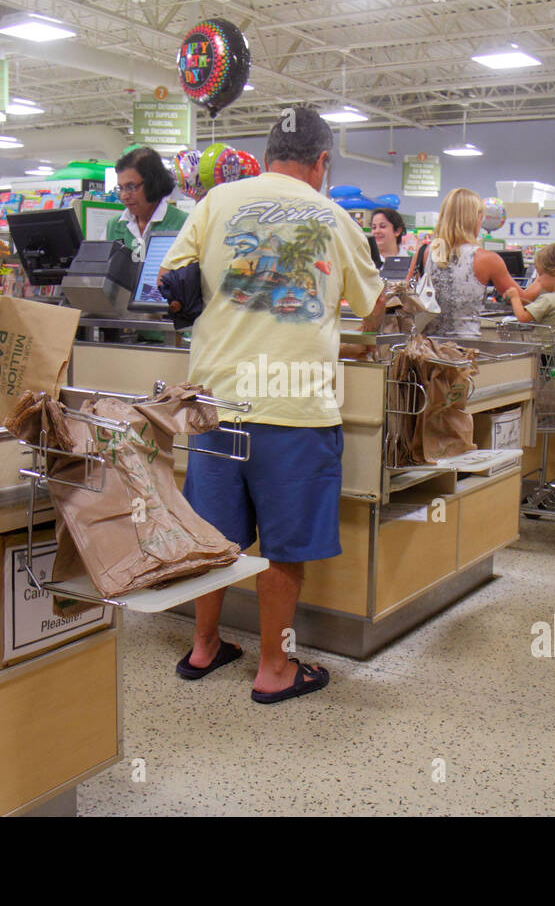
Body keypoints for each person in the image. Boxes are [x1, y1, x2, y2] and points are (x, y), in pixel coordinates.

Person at [158, 105, 386, 704]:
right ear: (322, 162)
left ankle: (204, 647)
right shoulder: (337, 218)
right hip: (294, 411)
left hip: (215, 406)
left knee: (215, 538)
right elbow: (376, 311)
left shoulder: (214, 203)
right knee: (283, 548)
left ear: (264, 156)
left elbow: (172, 279)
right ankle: (274, 668)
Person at [404, 187, 516, 338]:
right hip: (464, 350)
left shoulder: (426, 252)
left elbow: (407, 296)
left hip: (426, 349)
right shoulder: (486, 259)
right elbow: (521, 297)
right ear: (476, 217)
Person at [105, 146, 187, 259]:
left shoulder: (182, 223)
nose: (124, 196)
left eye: (131, 187)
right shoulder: (114, 226)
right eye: (121, 188)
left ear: (153, 183)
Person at [502, 241, 555, 327]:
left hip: (543, 340)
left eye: (540, 274)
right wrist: (521, 302)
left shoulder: (548, 299)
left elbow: (523, 317)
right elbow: (542, 308)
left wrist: (514, 297)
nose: (538, 280)